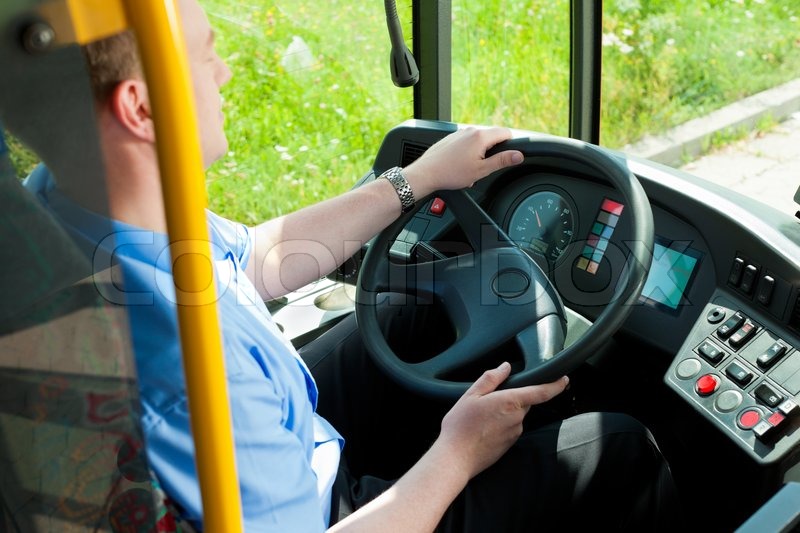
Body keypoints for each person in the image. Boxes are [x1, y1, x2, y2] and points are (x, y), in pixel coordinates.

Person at [25, 0, 681, 530]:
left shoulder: (70, 203)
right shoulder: (190, 361)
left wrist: (418, 178)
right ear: (141, 107)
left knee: (417, 312)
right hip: (325, 509)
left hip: (285, 435)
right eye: (205, 55)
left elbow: (255, 256)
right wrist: (458, 452)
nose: (222, 73)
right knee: (618, 449)